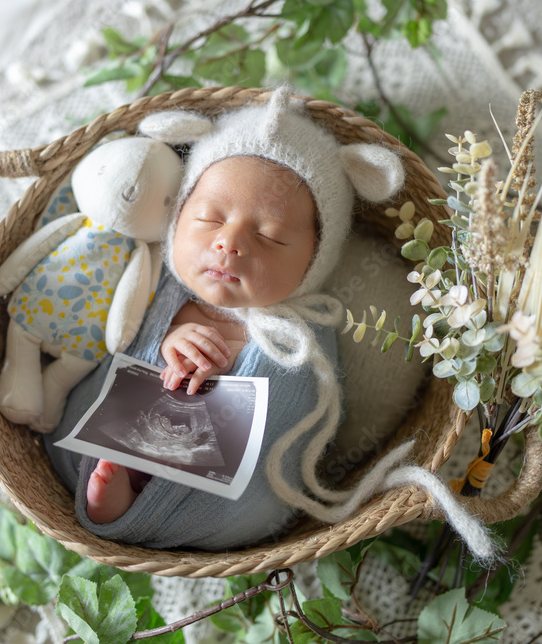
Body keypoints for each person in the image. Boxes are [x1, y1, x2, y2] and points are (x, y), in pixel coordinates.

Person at [43, 87, 407, 551]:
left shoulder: (300, 334)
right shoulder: (154, 275)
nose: (229, 243)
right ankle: (124, 485)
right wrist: (168, 340)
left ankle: (140, 500)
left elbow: (292, 415)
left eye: (270, 236)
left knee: (225, 462)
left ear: (314, 260)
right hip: (107, 431)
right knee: (124, 410)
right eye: (210, 219)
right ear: (176, 216)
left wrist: (228, 371)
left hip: (218, 499)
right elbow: (111, 336)